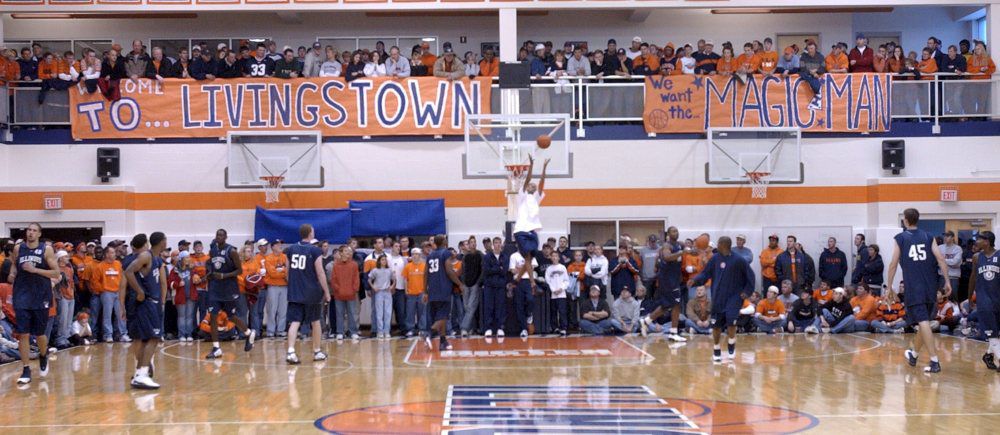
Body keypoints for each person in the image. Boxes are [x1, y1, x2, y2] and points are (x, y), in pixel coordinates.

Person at [887, 208, 953, 373]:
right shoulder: (928, 236)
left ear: (905, 221)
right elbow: (941, 259)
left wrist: (889, 286)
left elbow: (893, 263)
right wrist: (947, 281)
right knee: (923, 323)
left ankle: (934, 361)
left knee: (923, 322)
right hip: (930, 287)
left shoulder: (900, 238)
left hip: (914, 286)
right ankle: (914, 354)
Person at [8, 223, 61, 385]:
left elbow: (56, 272)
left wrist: (35, 270)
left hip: (40, 296)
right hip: (22, 296)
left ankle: (43, 355)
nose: (30, 233)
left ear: (39, 234)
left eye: (34, 231)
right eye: (28, 230)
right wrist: (11, 274)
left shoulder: (47, 249)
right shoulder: (19, 248)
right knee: (23, 333)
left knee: (40, 334)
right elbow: (14, 267)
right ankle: (26, 369)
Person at [688, 236, 754, 363]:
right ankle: (716, 347)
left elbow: (750, 276)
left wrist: (747, 292)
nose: (716, 245)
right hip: (718, 297)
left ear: (724, 245)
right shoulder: (714, 259)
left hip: (734, 298)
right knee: (716, 326)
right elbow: (705, 274)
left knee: (731, 322)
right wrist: (695, 280)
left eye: (718, 243)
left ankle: (731, 344)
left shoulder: (739, 260)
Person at [122, 232, 167, 389]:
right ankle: (141, 374)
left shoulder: (156, 259)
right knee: (153, 338)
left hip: (152, 303)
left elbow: (162, 282)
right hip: (146, 303)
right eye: (165, 240)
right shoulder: (146, 256)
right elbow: (128, 272)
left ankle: (140, 374)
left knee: (148, 339)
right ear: (162, 242)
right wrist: (140, 291)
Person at [204, 229, 255, 359]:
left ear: (226, 237)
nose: (219, 237)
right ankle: (216, 348)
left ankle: (248, 332)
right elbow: (212, 267)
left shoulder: (231, 251)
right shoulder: (212, 251)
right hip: (215, 289)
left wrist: (224, 275)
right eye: (217, 235)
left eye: (221, 235)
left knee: (231, 316)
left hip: (229, 290)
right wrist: (207, 275)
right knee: (213, 316)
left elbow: (239, 271)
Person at [284, 224, 331, 364]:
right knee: (315, 321)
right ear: (310, 234)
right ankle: (317, 351)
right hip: (311, 292)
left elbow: (287, 272)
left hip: (295, 292)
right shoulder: (315, 250)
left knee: (295, 322)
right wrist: (327, 292)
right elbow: (320, 272)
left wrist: (293, 284)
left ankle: (291, 351)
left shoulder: (290, 249)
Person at [639, 226, 686, 341]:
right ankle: (673, 332)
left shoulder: (679, 244)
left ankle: (646, 321)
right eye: (673, 231)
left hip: (673, 279)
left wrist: (695, 250)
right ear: (668, 235)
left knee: (667, 305)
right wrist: (681, 253)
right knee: (676, 304)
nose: (676, 232)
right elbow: (667, 257)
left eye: (677, 230)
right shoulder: (666, 246)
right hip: (667, 280)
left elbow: (656, 266)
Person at [512, 156, 549, 293]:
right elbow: (528, 178)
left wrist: (544, 167)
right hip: (521, 230)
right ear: (526, 187)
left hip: (532, 231)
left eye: (533, 185)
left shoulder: (537, 197)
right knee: (527, 256)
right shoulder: (522, 196)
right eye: (530, 184)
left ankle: (516, 281)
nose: (532, 185)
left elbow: (542, 182)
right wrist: (531, 164)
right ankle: (533, 283)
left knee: (530, 258)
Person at [424, 235, 465, 350]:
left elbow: (425, 273)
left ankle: (443, 342)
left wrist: (425, 291)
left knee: (440, 317)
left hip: (432, 290)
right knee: (443, 316)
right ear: (443, 242)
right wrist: (459, 284)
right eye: (445, 239)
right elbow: (449, 271)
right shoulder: (445, 253)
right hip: (443, 289)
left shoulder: (430, 255)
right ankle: (429, 333)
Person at [968, 231, 1000, 370]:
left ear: (987, 241)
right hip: (983, 299)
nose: (976, 242)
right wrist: (969, 297)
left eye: (979, 240)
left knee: (996, 332)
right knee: (991, 334)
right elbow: (973, 277)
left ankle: (988, 355)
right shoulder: (976, 257)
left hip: (997, 299)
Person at [509, 241, 539, 338]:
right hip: (518, 282)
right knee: (519, 305)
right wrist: (526, 266)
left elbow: (533, 267)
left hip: (528, 281)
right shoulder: (513, 256)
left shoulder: (530, 255)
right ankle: (523, 329)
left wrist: (521, 267)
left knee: (530, 299)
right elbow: (513, 270)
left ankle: (529, 314)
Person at [331, 246, 360, 340]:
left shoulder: (354, 265)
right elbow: (333, 279)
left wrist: (354, 289)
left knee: (352, 313)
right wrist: (337, 289)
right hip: (339, 295)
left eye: (349, 251)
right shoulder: (336, 265)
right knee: (339, 313)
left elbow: (356, 278)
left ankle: (353, 331)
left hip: (351, 294)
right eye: (346, 251)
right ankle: (340, 331)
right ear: (341, 253)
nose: (348, 253)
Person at [264, 240, 288, 338]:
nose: (280, 246)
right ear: (272, 247)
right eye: (278, 244)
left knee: (283, 310)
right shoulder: (268, 258)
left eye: (281, 244)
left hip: (284, 286)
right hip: (272, 287)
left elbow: (288, 271)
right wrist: (283, 272)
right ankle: (270, 331)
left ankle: (280, 330)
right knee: (272, 309)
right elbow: (272, 273)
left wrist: (281, 271)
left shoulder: (285, 257)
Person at [368, 255, 395, 339]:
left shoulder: (389, 270)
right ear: (379, 261)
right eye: (382, 260)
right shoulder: (375, 270)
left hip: (387, 292)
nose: (384, 261)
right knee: (379, 313)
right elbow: (369, 279)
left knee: (388, 312)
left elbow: (394, 279)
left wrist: (392, 286)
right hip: (379, 292)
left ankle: (387, 331)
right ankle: (380, 331)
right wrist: (373, 287)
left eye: (385, 260)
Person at [402, 248, 427, 337]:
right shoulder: (407, 266)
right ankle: (410, 329)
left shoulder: (424, 266)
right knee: (410, 313)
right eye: (413, 254)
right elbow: (405, 280)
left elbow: (427, 280)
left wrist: (426, 291)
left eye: (417, 254)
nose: (415, 256)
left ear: (420, 255)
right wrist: (406, 291)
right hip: (411, 294)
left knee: (422, 312)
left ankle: (422, 329)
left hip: (422, 293)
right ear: (411, 256)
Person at [545, 251, 570, 336]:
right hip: (553, 294)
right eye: (553, 256)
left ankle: (563, 328)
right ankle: (555, 327)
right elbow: (548, 281)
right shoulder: (549, 269)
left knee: (562, 311)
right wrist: (553, 289)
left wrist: (561, 288)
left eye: (556, 256)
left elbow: (566, 280)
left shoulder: (562, 267)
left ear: (559, 258)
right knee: (553, 311)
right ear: (550, 258)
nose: (555, 258)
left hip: (562, 294)